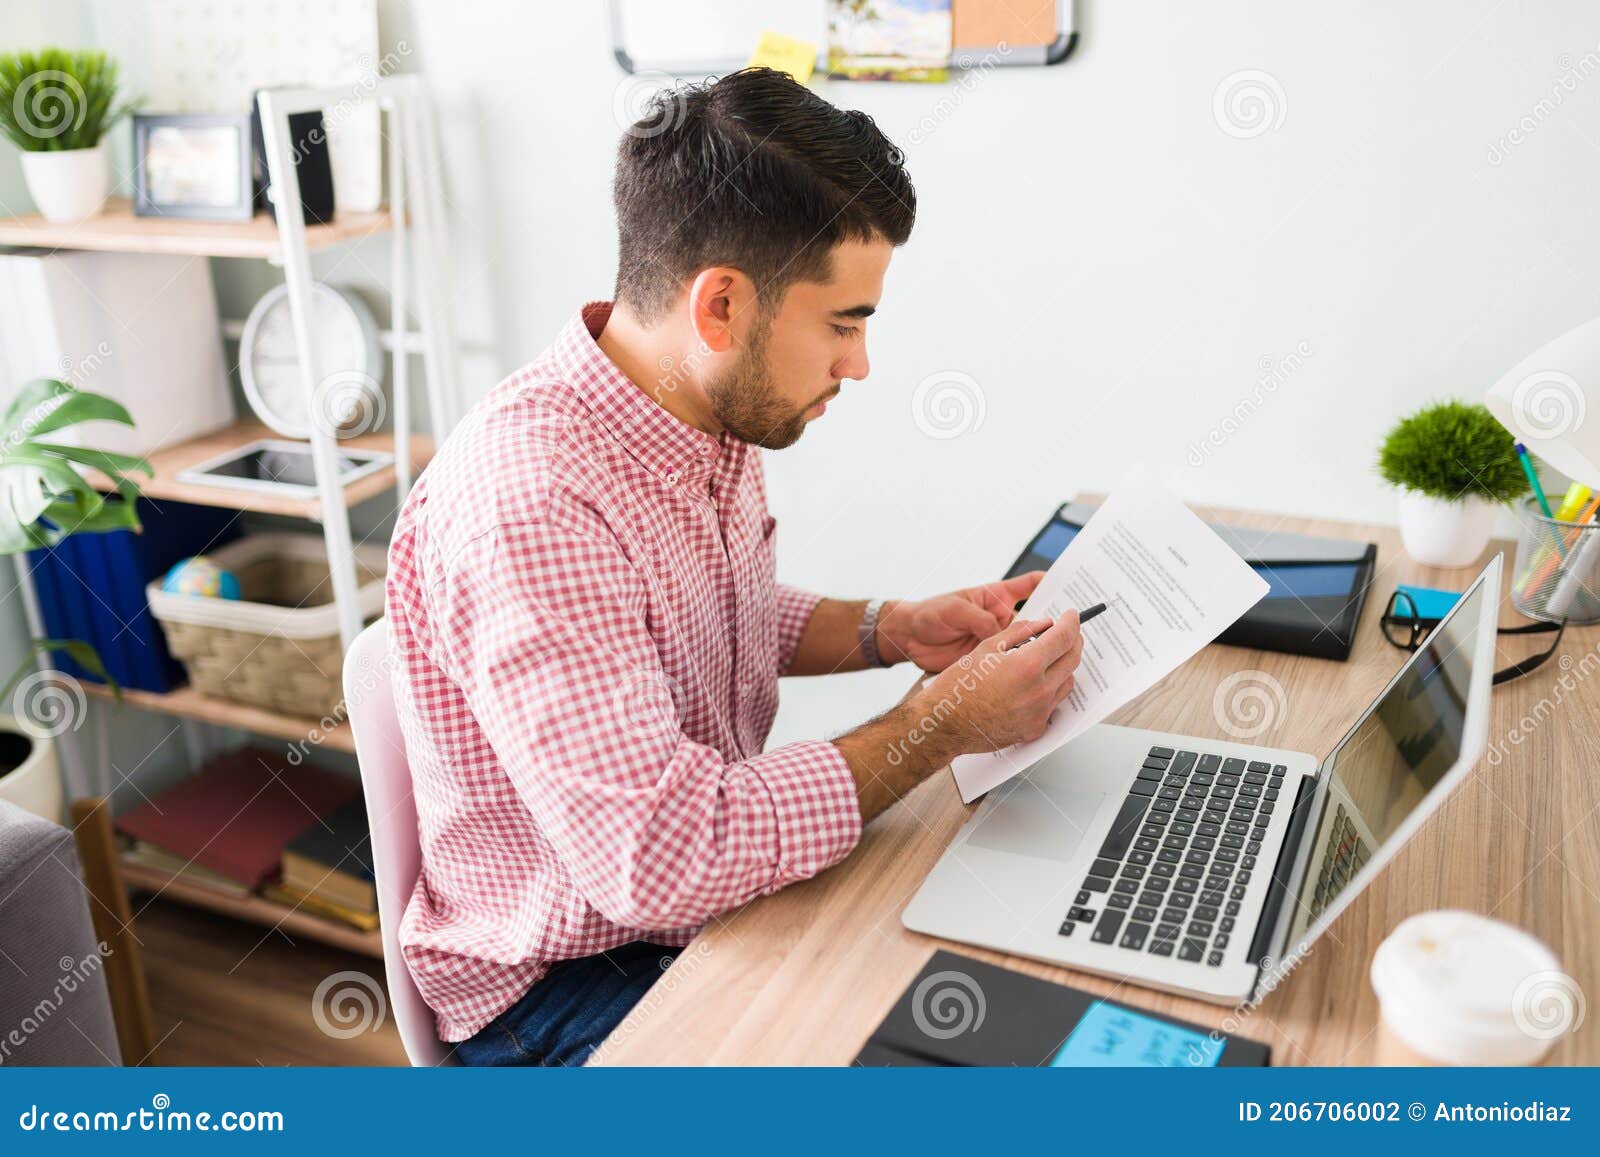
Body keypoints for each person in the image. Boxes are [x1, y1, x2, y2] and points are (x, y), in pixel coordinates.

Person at [385, 67, 1084, 1066]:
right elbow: (661, 857)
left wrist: (888, 627)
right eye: (843, 322)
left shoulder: (702, 407)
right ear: (721, 305)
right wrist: (938, 722)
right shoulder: (531, 500)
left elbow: (706, 613)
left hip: (680, 909)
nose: (858, 364)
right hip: (566, 989)